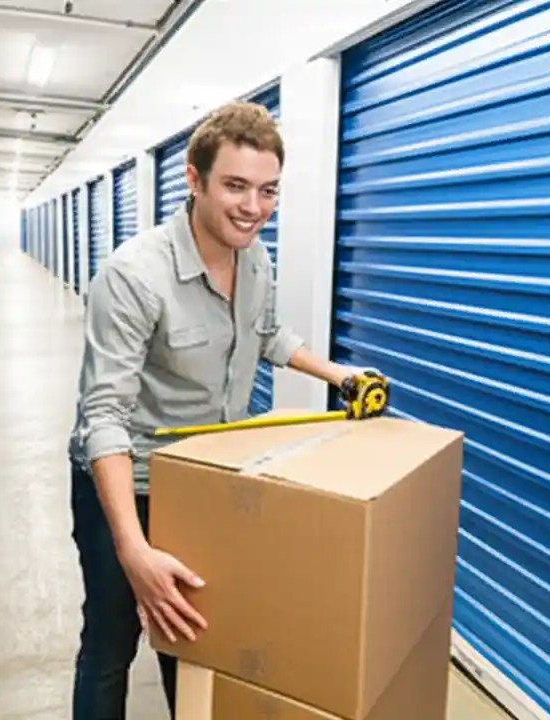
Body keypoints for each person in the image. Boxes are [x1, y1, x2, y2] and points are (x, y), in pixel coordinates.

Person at [66, 100, 377, 719]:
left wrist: (340, 375)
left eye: (268, 191)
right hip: (127, 486)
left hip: (204, 483)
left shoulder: (255, 255)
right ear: (193, 178)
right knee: (111, 642)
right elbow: (103, 419)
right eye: (236, 186)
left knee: (194, 636)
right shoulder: (133, 277)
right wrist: (133, 551)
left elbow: (265, 334)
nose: (253, 207)